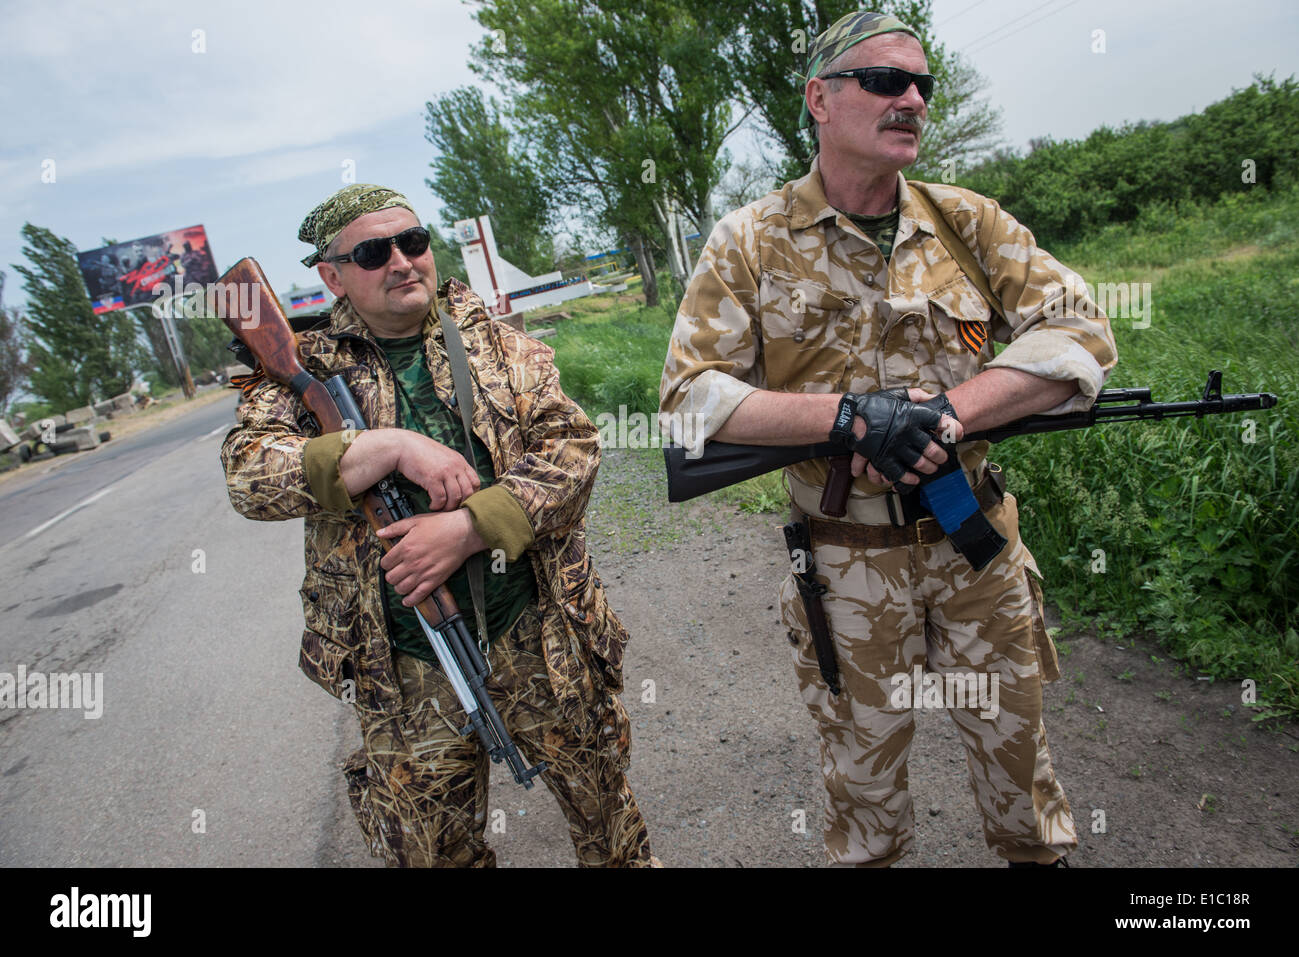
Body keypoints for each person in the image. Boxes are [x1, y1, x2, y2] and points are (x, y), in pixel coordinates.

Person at [660, 12, 1117, 867]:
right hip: (845, 562)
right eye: (884, 81)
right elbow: (689, 398)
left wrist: (948, 413)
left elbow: (1081, 334)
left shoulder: (967, 222)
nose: (910, 99)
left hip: (974, 544)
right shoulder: (747, 244)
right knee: (864, 792)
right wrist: (849, 419)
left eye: (922, 85)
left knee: (1023, 771)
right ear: (820, 100)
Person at [221, 184, 656, 867]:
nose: (401, 261)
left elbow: (574, 451)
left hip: (540, 636)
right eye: (373, 251)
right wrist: (386, 447)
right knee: (437, 854)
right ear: (333, 276)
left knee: (612, 833)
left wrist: (470, 527)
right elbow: (250, 475)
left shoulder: (502, 347)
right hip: (406, 665)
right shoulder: (301, 373)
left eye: (413, 242)